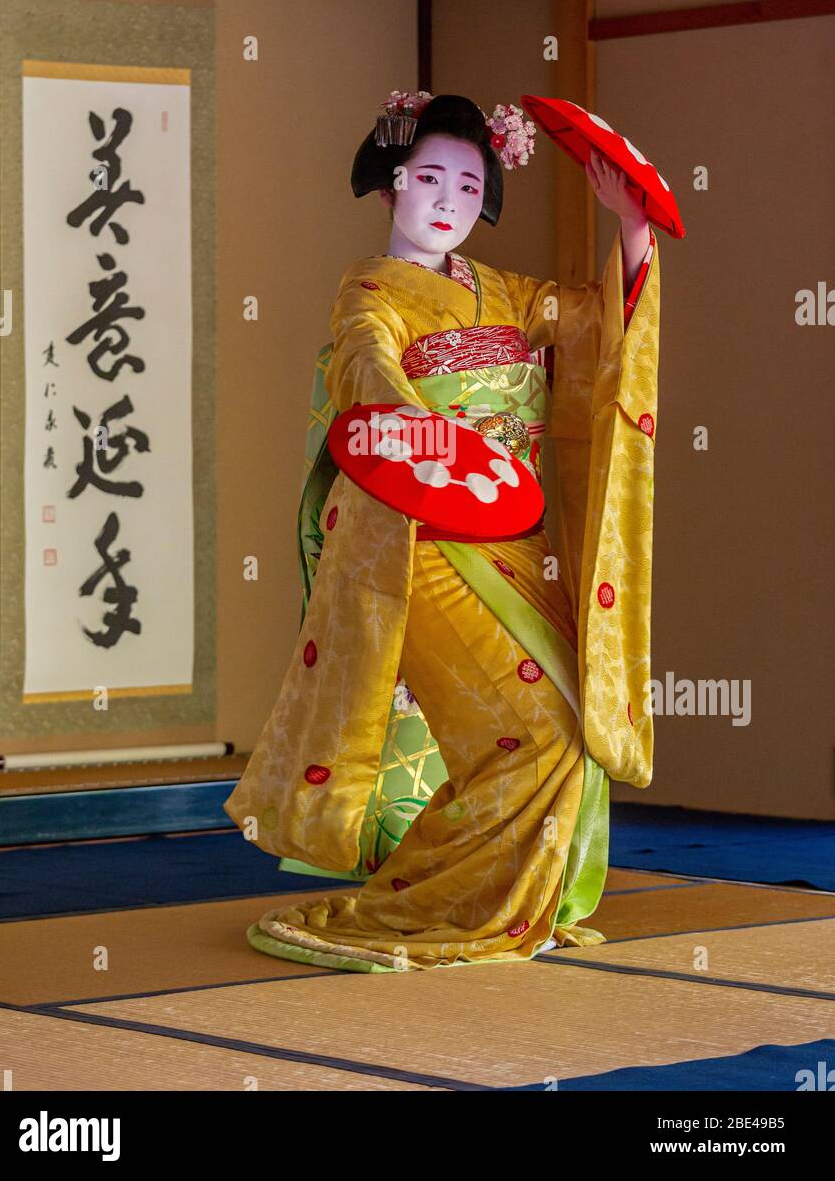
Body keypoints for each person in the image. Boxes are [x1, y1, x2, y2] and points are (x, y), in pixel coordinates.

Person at [224, 93, 660, 973]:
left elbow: (596, 327)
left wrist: (632, 227)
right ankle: (441, 902)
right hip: (417, 536)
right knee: (532, 729)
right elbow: (364, 364)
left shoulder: (503, 291)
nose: (450, 199)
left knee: (564, 732)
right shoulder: (369, 290)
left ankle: (456, 897)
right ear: (393, 185)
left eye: (469, 182)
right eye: (430, 177)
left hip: (510, 540)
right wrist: (415, 433)